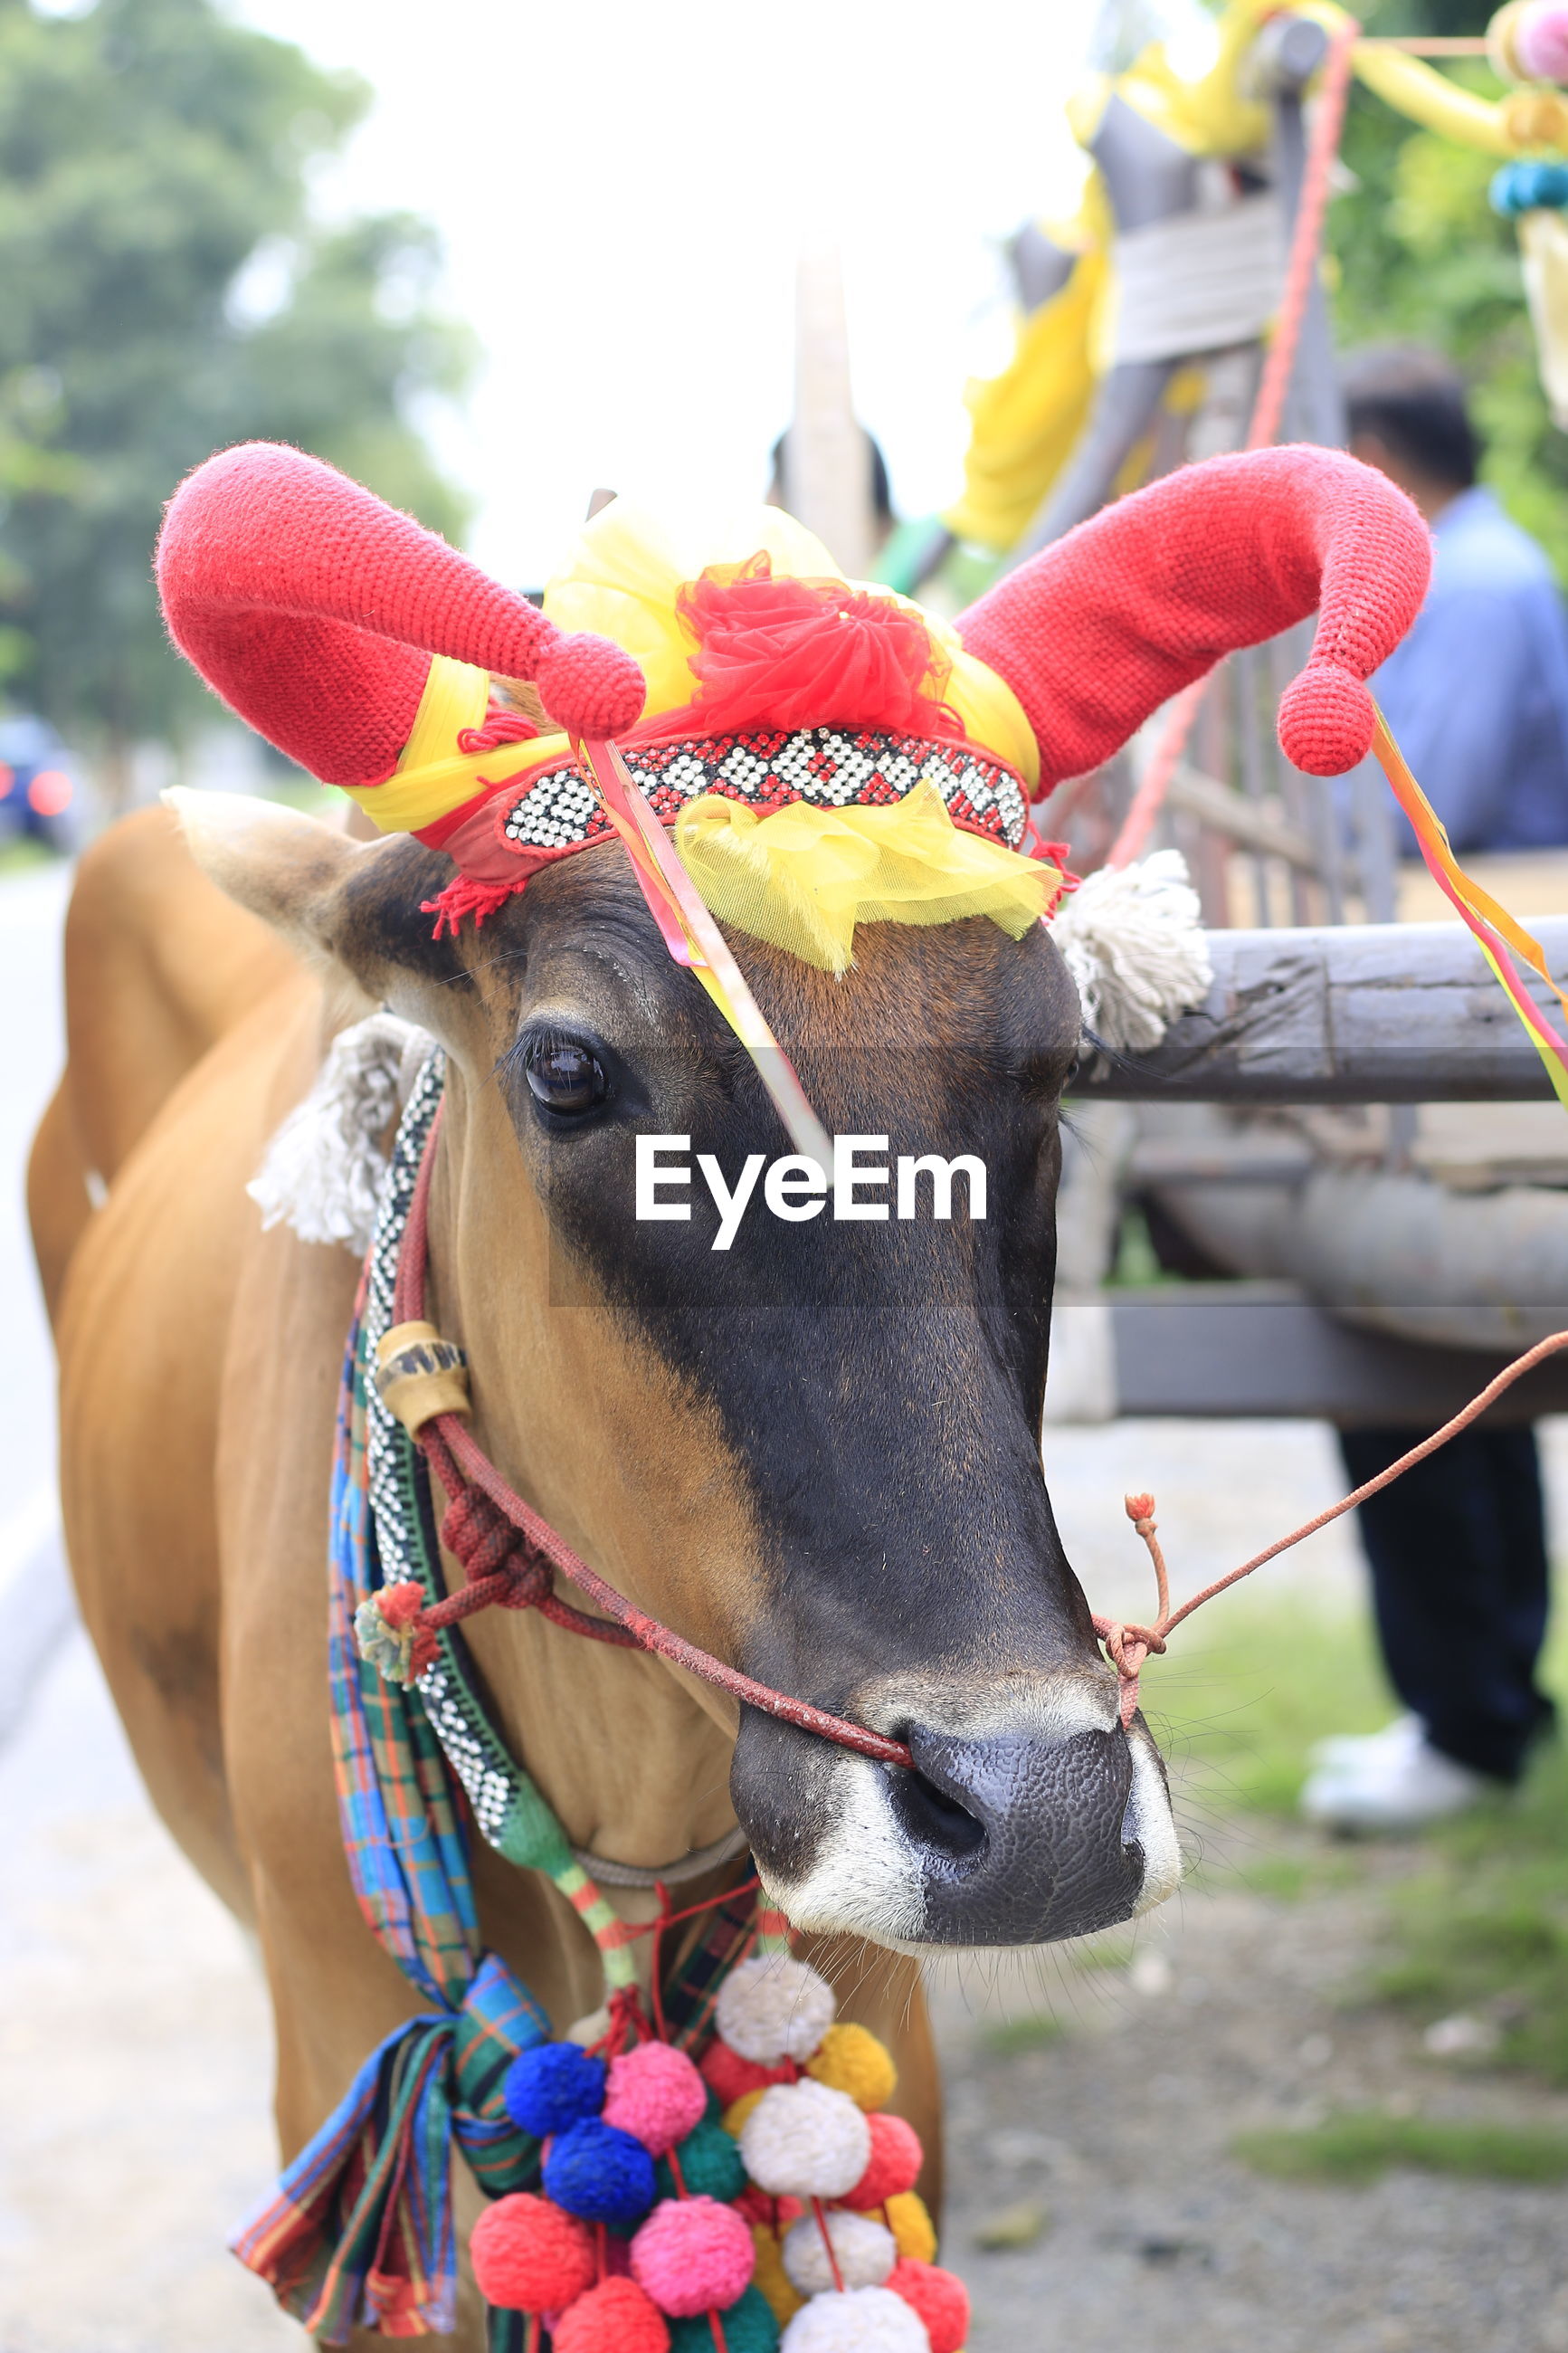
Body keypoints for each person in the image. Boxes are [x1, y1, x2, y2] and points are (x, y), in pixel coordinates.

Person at [1302, 347, 1563, 1832]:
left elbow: (1415, 810)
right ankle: (1480, 1713)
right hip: (1485, 1002)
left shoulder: (1462, 585)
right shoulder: (1487, 568)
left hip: (1470, 1021)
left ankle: (1463, 1721)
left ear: (1380, 467)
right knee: (1469, 1384)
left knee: (1407, 1354)